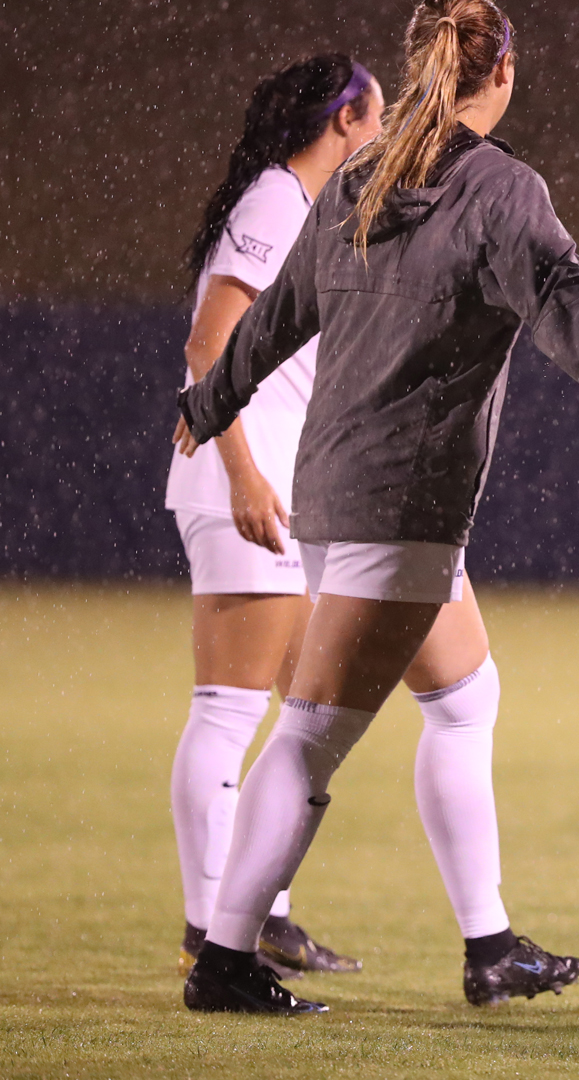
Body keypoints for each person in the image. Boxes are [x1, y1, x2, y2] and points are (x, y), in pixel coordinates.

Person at [173, 0, 579, 1015]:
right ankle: (226, 958)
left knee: (464, 697)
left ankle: (490, 944)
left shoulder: (364, 181)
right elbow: (563, 296)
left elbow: (279, 314)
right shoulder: (499, 189)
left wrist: (212, 398)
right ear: (501, 74)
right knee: (311, 734)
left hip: (338, 487)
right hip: (399, 501)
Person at [168, 53, 381, 980]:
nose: (383, 130)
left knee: (294, 710)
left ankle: (264, 912)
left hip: (286, 485)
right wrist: (245, 477)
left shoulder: (313, 210)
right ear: (343, 120)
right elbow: (207, 345)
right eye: (376, 115)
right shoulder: (274, 200)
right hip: (240, 483)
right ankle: (209, 925)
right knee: (231, 707)